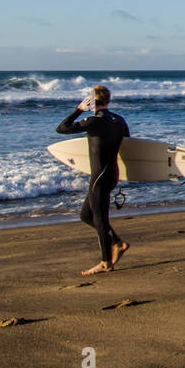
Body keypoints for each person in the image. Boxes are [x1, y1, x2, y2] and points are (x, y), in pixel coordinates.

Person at [56, 85, 130, 275]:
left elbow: (62, 128)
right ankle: (118, 243)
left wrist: (79, 110)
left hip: (100, 177)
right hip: (112, 174)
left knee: (100, 220)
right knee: (86, 216)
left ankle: (106, 262)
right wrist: (122, 173)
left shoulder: (95, 121)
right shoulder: (119, 120)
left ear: (92, 102)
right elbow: (128, 147)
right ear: (108, 100)